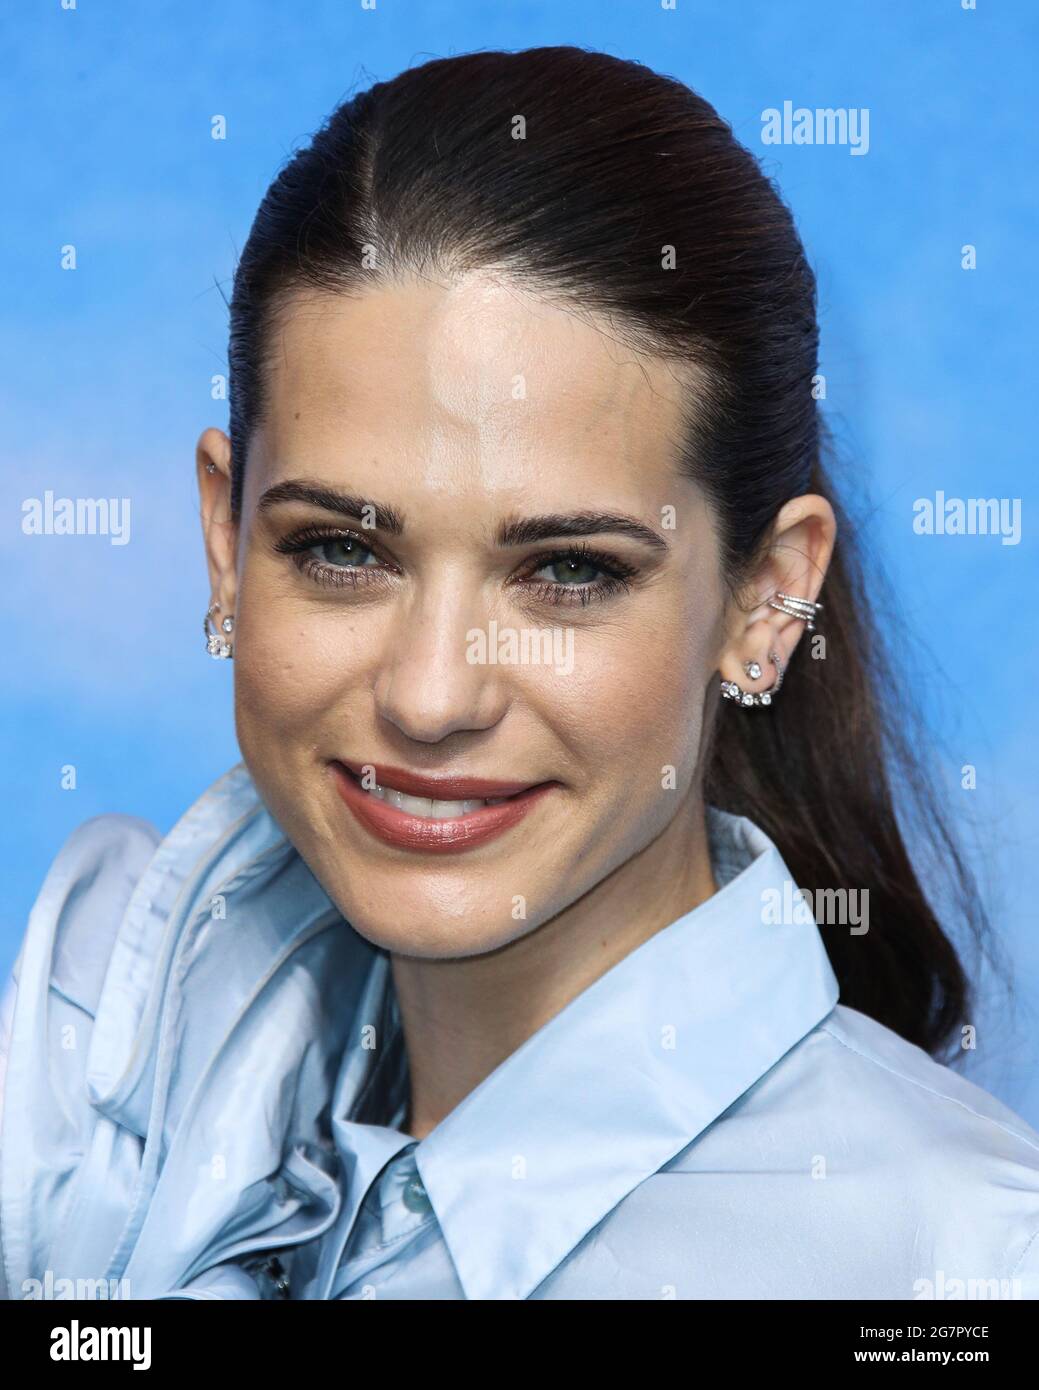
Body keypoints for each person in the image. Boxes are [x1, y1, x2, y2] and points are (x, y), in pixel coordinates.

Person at [2, 46, 1037, 1302]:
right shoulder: (100, 1083)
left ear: (768, 599)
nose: (432, 696)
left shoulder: (964, 1266)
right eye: (340, 549)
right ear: (225, 543)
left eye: (567, 572)